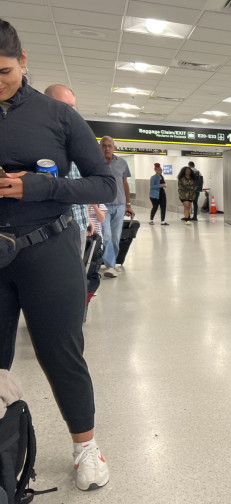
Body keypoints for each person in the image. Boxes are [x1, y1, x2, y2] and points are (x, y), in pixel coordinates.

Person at [0, 18, 115, 491]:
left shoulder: (59, 116)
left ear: (23, 61)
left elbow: (104, 185)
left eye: (4, 72)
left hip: (47, 248)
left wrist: (40, 187)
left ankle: (86, 448)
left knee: (61, 353)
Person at [43, 84, 91, 256]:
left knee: (78, 268)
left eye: (72, 106)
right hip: (53, 227)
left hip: (79, 221)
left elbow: (82, 181)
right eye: (64, 106)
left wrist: (87, 218)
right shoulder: (40, 140)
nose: (70, 112)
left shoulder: (76, 139)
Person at [99, 136, 134, 277]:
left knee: (115, 238)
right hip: (102, 205)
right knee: (106, 236)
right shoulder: (96, 163)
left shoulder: (122, 163)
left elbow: (125, 183)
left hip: (119, 205)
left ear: (114, 147)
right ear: (100, 147)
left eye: (110, 146)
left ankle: (112, 263)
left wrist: (128, 204)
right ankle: (110, 266)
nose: (107, 149)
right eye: (104, 145)